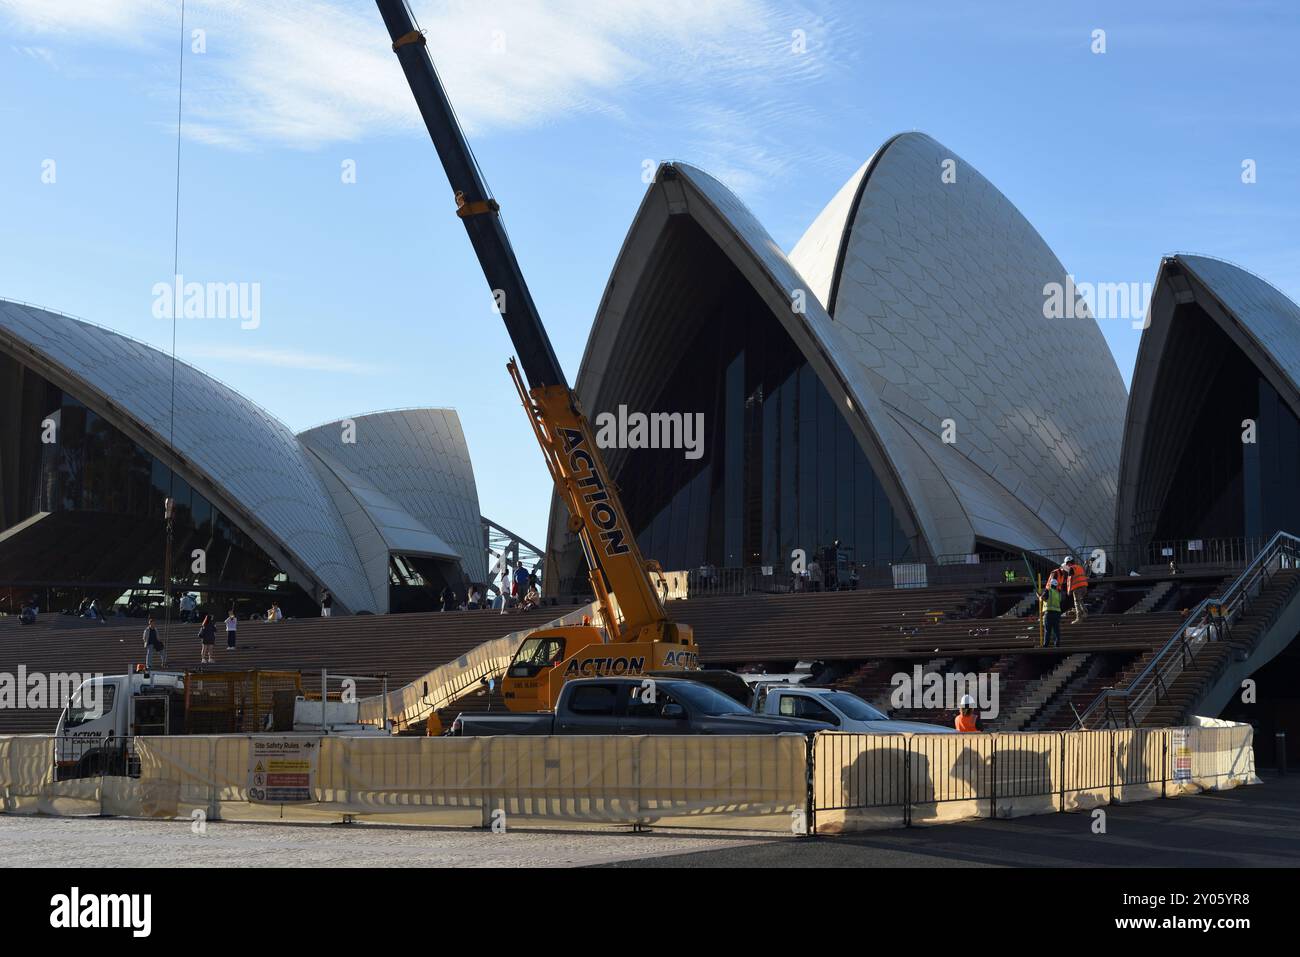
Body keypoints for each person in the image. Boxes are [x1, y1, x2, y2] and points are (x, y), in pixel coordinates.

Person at [1064, 555, 1089, 623]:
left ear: (1069, 563)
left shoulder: (1072, 568)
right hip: (1084, 587)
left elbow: (1069, 580)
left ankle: (1079, 618)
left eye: (1067, 564)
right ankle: (1085, 613)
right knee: (1080, 601)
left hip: (1077, 588)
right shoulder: (1079, 567)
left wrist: (1069, 590)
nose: (1067, 566)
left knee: (1076, 602)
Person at [1041, 577, 1064, 648]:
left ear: (1050, 584)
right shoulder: (1058, 593)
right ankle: (1057, 644)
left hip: (1049, 613)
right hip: (1057, 614)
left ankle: (1046, 645)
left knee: (1047, 630)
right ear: (1056, 585)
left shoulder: (1048, 591)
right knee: (1056, 630)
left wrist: (1039, 597)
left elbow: (1043, 598)